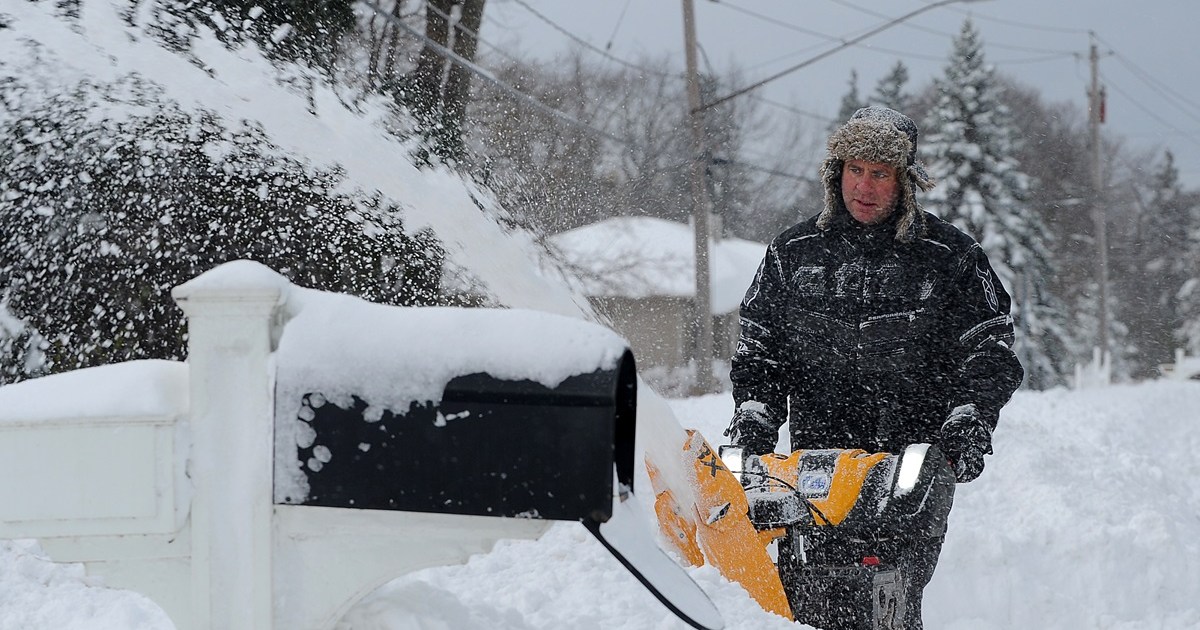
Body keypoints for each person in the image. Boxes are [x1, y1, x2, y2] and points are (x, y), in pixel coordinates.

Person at [725, 105, 1024, 629]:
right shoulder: (793, 253)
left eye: (879, 173)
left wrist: (969, 418)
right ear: (835, 173)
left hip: (908, 470)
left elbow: (990, 347)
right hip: (814, 472)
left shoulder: (949, 257)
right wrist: (754, 418)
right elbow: (760, 346)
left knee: (885, 605)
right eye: (854, 170)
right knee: (805, 604)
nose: (863, 186)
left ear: (904, 182)